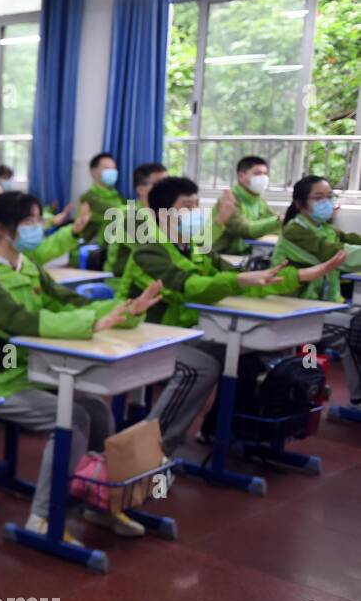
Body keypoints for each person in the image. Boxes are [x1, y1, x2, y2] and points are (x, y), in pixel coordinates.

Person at [0, 190, 163, 543]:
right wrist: (90, 324)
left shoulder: (27, 265)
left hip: (28, 371)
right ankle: (43, 517)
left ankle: (98, 501)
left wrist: (124, 311)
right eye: (29, 222)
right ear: (2, 228)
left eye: (39, 220)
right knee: (72, 418)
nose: (38, 228)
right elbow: (13, 320)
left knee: (97, 410)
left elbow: (67, 301)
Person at [119, 176, 343, 454]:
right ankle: (149, 449)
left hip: (189, 329)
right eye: (187, 206)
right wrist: (239, 281)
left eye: (197, 204)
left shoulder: (196, 245)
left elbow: (235, 276)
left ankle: (224, 432)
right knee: (201, 368)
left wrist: (295, 275)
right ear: (162, 214)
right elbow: (190, 286)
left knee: (247, 352)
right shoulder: (148, 250)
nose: (195, 211)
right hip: (146, 334)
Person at [273, 175, 361, 405]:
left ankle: (311, 378)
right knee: (352, 331)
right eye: (319, 197)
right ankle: (358, 399)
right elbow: (341, 256)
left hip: (322, 304)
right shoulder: (296, 231)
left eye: (329, 197)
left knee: (355, 323)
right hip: (296, 307)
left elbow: (352, 240)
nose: (326, 202)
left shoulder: (324, 228)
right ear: (300, 204)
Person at [104, 163, 168, 281]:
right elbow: (154, 254)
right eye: (160, 184)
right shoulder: (128, 215)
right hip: (124, 284)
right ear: (141, 190)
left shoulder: (162, 214)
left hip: (150, 280)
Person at [211, 155, 283, 258]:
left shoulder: (259, 201)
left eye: (265, 174)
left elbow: (274, 223)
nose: (263, 178)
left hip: (247, 253)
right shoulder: (229, 201)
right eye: (257, 174)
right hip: (222, 255)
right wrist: (278, 221)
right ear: (241, 176)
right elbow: (243, 229)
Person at [77, 152, 125, 248]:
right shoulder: (88, 198)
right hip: (92, 251)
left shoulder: (118, 196)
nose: (112, 172)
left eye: (113, 168)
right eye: (107, 168)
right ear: (93, 172)